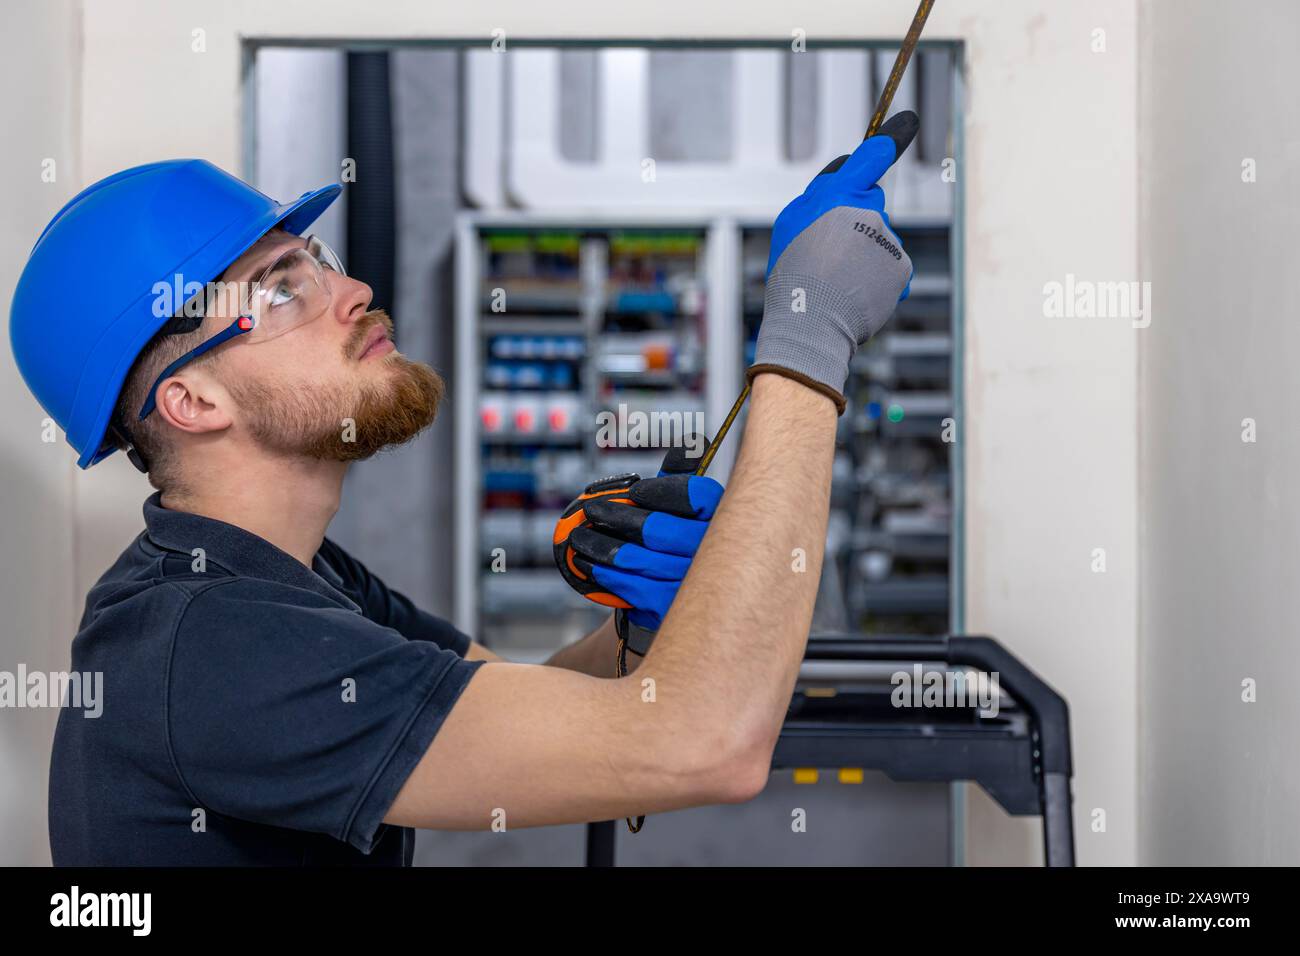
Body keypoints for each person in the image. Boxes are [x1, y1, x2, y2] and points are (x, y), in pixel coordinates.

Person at [9, 112, 917, 865]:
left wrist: (639, 622)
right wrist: (810, 331)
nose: (354, 289)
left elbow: (511, 700)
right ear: (191, 399)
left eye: (317, 259)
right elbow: (701, 746)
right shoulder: (210, 645)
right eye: (282, 289)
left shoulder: (292, 577)